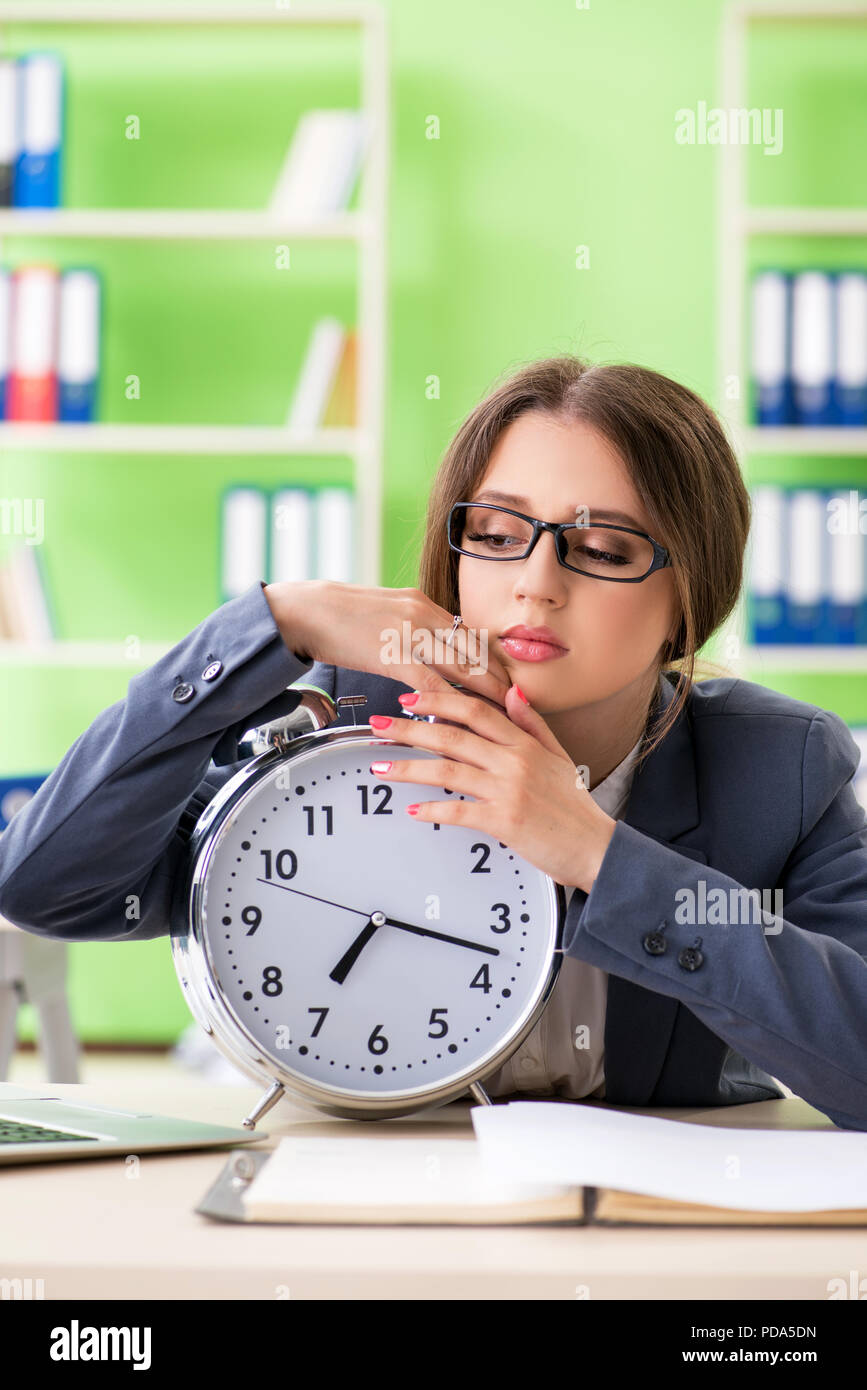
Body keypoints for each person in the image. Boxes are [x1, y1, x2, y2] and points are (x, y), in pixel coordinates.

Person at [1, 355, 865, 1129]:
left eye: (601, 548)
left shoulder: (781, 769)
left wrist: (598, 854)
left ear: (692, 591)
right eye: (494, 535)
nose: (535, 584)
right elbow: (45, 888)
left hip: (646, 1232)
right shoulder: (331, 733)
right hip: (349, 1215)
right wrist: (274, 623)